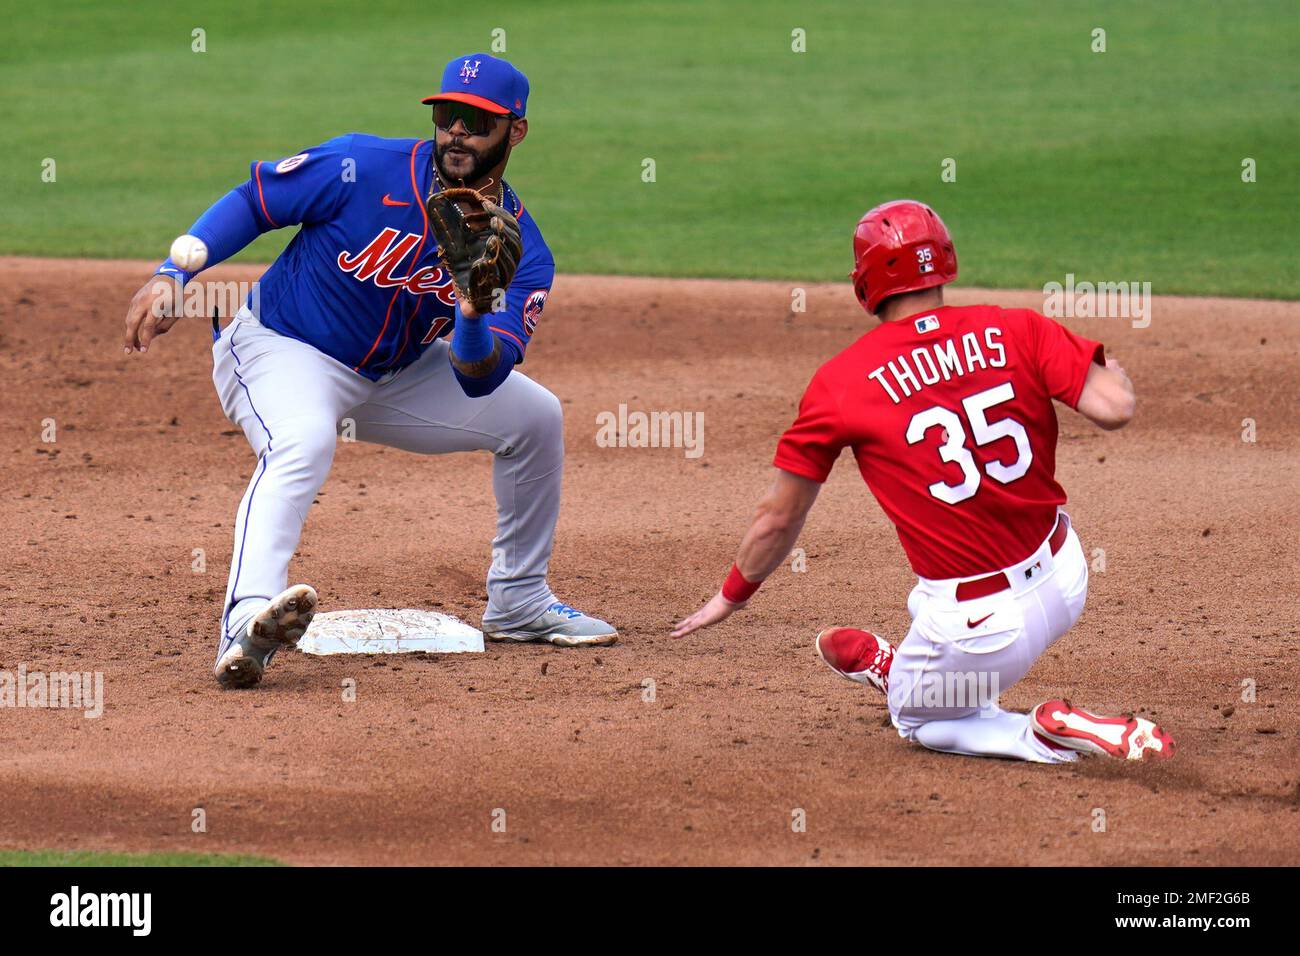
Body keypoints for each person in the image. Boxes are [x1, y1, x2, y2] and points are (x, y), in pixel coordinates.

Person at [122, 53, 616, 689]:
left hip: (395, 374)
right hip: (281, 347)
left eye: (476, 120)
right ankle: (246, 619)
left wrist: (469, 311)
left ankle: (519, 601)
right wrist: (174, 273)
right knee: (303, 440)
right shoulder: (362, 167)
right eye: (447, 115)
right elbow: (257, 200)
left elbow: (477, 376)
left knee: (536, 418)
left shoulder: (521, 249)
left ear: (514, 131)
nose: (457, 131)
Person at [672, 199, 1174, 763]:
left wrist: (733, 596)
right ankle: (910, 665)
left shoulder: (841, 382)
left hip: (980, 630)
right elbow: (1114, 407)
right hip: (1065, 579)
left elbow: (779, 518)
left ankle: (1045, 730)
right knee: (930, 605)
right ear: (944, 261)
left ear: (864, 281)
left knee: (915, 721)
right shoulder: (1018, 326)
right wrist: (1113, 373)